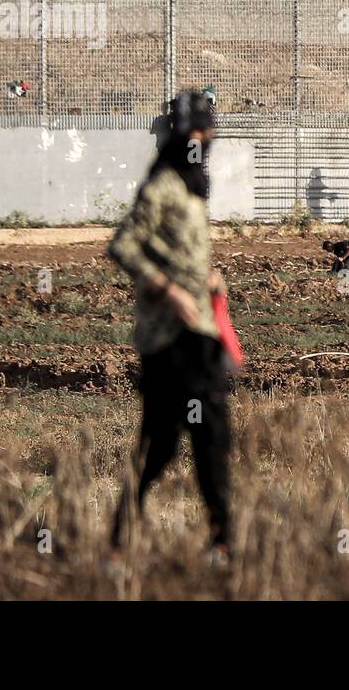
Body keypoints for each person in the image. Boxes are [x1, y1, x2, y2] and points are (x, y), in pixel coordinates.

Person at [108, 89, 231, 564]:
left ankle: (222, 541)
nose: (203, 140)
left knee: (211, 437)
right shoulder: (161, 185)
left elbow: (183, 253)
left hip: (199, 334)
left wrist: (206, 279)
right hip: (167, 339)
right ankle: (119, 546)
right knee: (160, 446)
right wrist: (170, 290)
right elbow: (123, 245)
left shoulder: (191, 186)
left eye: (207, 131)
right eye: (195, 133)